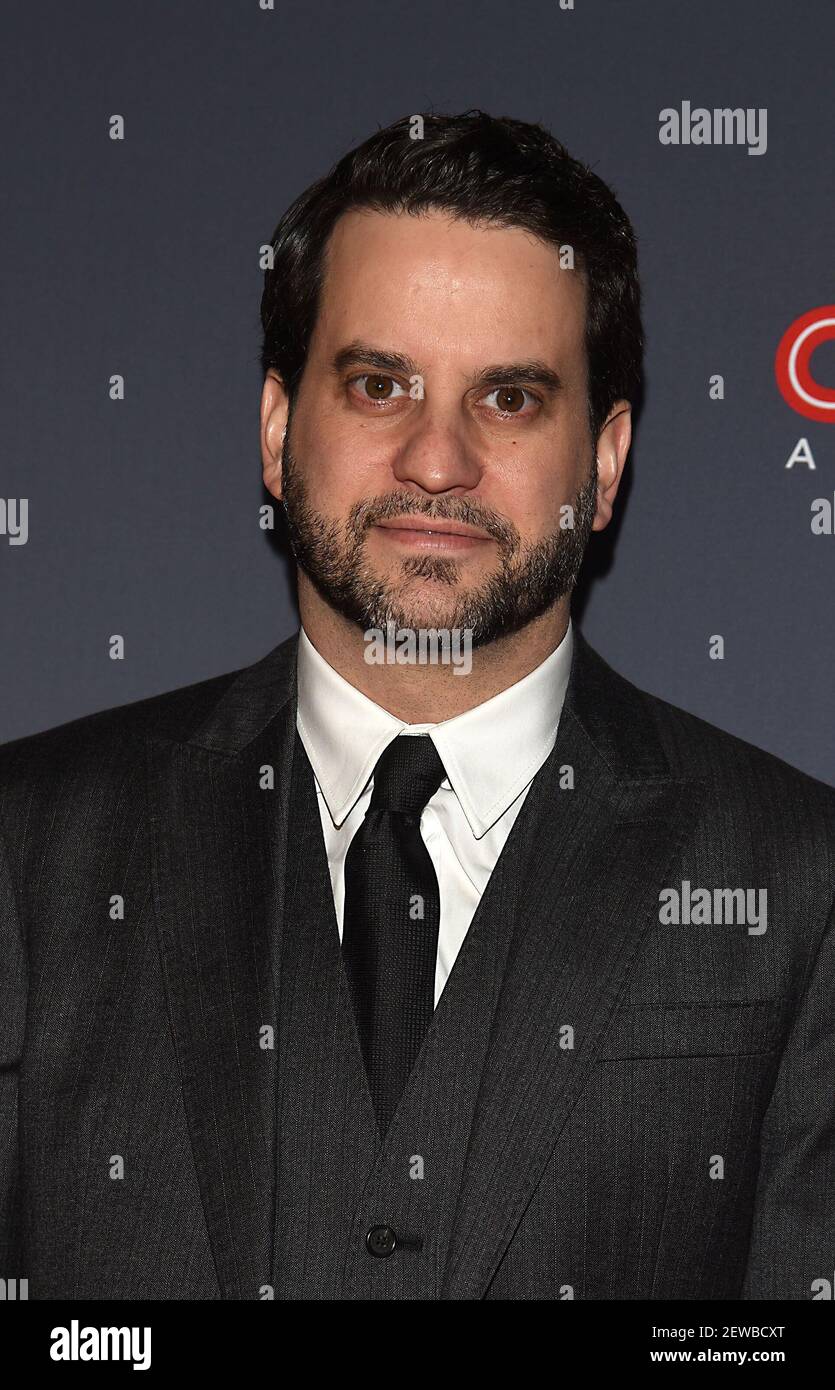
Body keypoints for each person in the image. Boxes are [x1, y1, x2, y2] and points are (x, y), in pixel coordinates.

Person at [1, 111, 832, 1301]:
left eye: (507, 399)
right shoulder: (27, 853)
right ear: (280, 431)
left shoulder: (802, 883)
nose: (435, 459)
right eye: (381, 383)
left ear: (601, 467)